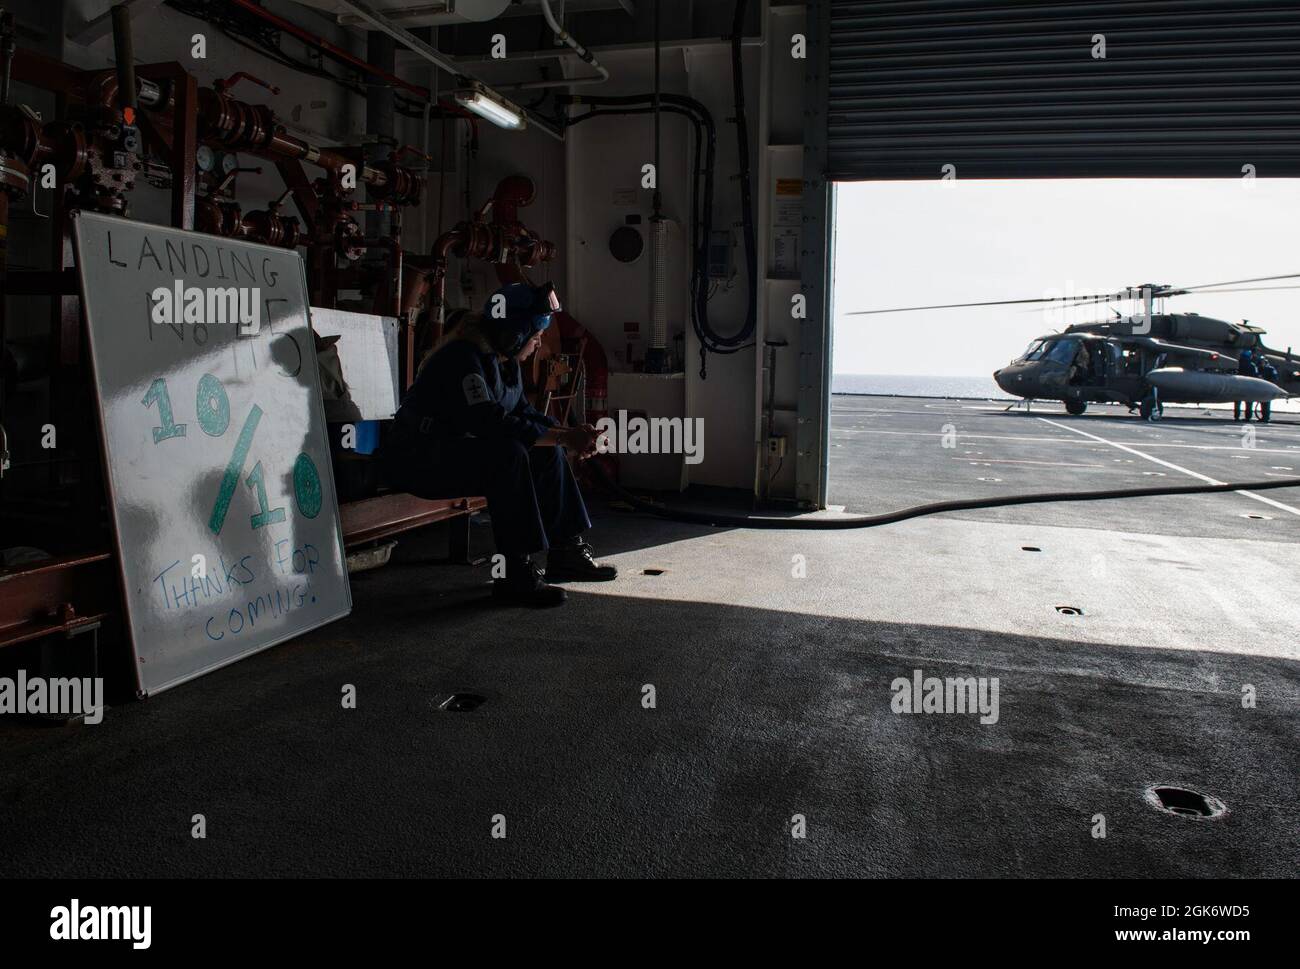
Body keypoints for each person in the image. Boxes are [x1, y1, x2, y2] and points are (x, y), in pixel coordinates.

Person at [381, 283, 616, 607]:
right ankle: (514, 576)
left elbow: (524, 413)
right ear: (515, 332)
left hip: (451, 454)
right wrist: (564, 437)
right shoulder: (462, 359)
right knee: (509, 455)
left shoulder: (503, 363)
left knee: (544, 451)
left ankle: (566, 551)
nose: (538, 341)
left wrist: (569, 434)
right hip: (419, 459)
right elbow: (490, 422)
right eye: (535, 333)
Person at [1235, 349, 1258, 422]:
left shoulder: (1237, 364)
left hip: (1238, 386)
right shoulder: (1252, 366)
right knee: (1249, 403)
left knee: (1237, 403)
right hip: (1249, 387)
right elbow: (1255, 376)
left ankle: (1236, 417)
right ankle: (1248, 417)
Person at [1257, 353, 1279, 424]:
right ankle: (1264, 417)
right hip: (1261, 389)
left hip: (1268, 388)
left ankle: (1266, 417)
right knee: (1262, 403)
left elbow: (1275, 378)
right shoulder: (1259, 369)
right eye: (1260, 362)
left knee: (1266, 403)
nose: (1261, 363)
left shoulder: (1271, 369)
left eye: (1262, 362)